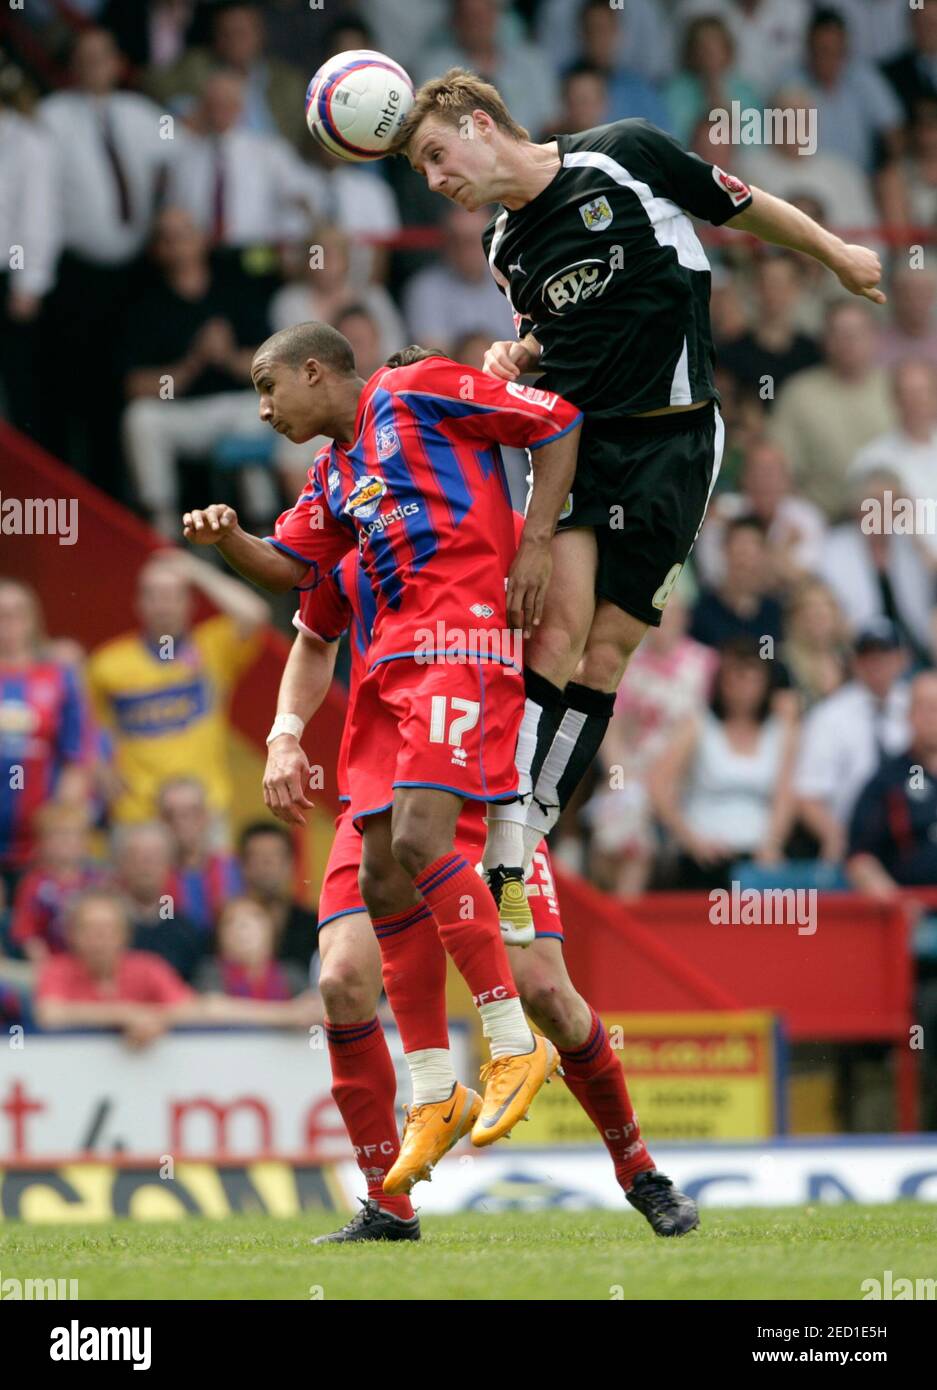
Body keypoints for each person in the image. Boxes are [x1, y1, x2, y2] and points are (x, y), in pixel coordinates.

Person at [394, 67, 885, 901]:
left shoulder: (622, 154)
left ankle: (532, 820)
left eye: (438, 157)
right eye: (424, 175)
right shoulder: (500, 247)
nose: (439, 183)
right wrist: (518, 355)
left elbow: (741, 202)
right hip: (578, 444)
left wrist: (835, 255)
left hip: (680, 440)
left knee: (608, 654)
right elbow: (548, 335)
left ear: (479, 124)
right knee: (554, 633)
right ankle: (504, 829)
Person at [182, 323, 588, 1193]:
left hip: (461, 649)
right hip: (390, 681)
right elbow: (293, 570)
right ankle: (436, 1091)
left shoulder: (417, 391)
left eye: (269, 387)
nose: (263, 408)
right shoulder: (333, 477)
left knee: (416, 840)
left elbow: (554, 419)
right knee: (379, 878)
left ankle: (512, 1042)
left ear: (315, 370)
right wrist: (226, 542)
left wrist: (538, 540)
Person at [260, 531, 697, 1238]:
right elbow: (314, 635)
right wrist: (285, 734)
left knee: (547, 995)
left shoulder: (502, 538)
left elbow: (567, 645)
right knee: (341, 982)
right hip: (380, 799)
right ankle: (389, 1205)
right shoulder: (360, 532)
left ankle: (638, 1169)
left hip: (484, 802)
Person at [119, 205, 272, 535]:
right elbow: (136, 387)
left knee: (261, 412)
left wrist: (228, 356)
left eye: (184, 235)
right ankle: (164, 530)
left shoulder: (235, 287)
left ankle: (262, 527)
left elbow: (276, 368)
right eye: (167, 239)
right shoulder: (147, 304)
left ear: (202, 239)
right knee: (140, 418)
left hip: (237, 405)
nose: (177, 246)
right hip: (185, 413)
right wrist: (193, 362)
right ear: (157, 250)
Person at [86, 550, 267, 826]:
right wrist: (99, 767)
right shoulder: (107, 664)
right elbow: (86, 726)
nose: (163, 606)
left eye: (173, 596)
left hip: (205, 808)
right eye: (154, 596)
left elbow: (254, 613)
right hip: (137, 813)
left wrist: (194, 569)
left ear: (189, 603)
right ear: (139, 603)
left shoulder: (212, 648)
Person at [847, 669, 937, 1127]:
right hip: (913, 937)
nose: (933, 717)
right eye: (925, 707)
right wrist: (896, 903)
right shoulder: (886, 781)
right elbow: (860, 857)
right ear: (909, 716)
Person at [650, 635, 798, 890]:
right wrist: (689, 839)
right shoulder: (697, 725)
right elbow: (658, 785)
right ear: (721, 682)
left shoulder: (781, 732)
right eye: (736, 678)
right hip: (704, 859)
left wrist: (773, 844)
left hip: (759, 858)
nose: (744, 688)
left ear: (766, 684)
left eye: (753, 679)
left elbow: (786, 795)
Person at [0, 580, 90, 901]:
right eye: (1, 615)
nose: (8, 624)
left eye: (16, 614)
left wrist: (59, 832)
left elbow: (75, 760)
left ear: (33, 620)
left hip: (39, 847)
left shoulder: (59, 677)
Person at [794, 618, 911, 863]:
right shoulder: (829, 716)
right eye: (868, 655)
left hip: (913, 838)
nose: (876, 663)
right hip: (852, 841)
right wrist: (841, 840)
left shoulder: (920, 707)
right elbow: (808, 795)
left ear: (902, 659)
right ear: (855, 662)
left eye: (884, 654)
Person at [770, 301, 895, 520]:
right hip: (823, 523)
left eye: (856, 333)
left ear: (875, 336)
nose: (847, 342)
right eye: (838, 333)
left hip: (894, 522)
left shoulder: (897, 388)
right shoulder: (798, 393)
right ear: (824, 340)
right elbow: (780, 468)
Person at [9, 803, 102, 964]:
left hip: (95, 964)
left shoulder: (99, 881)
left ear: (86, 842)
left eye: (74, 835)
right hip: (51, 964)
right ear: (42, 843)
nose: (66, 842)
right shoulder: (34, 884)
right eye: (58, 836)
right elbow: (28, 935)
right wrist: (49, 969)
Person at [157, 777, 243, 933]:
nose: (181, 821)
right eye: (171, 815)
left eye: (192, 812)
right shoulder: (154, 876)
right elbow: (163, 922)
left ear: (206, 816)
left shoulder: (234, 869)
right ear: (161, 821)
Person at [690, 516, 785, 651]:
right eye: (739, 549)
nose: (744, 560)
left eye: (751, 551)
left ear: (764, 555)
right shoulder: (702, 612)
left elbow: (771, 659)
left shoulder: (775, 614)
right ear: (725, 551)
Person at [194, 895, 312, 1001]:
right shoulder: (210, 972)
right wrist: (292, 1013)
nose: (242, 928)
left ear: (271, 928)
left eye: (254, 918)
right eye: (230, 922)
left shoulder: (292, 974)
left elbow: (312, 1009)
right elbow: (212, 1008)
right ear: (219, 936)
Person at [238, 821, 318, 973]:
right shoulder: (226, 925)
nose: (267, 864)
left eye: (275, 856)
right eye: (258, 857)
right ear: (243, 865)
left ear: (291, 864)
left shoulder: (314, 926)